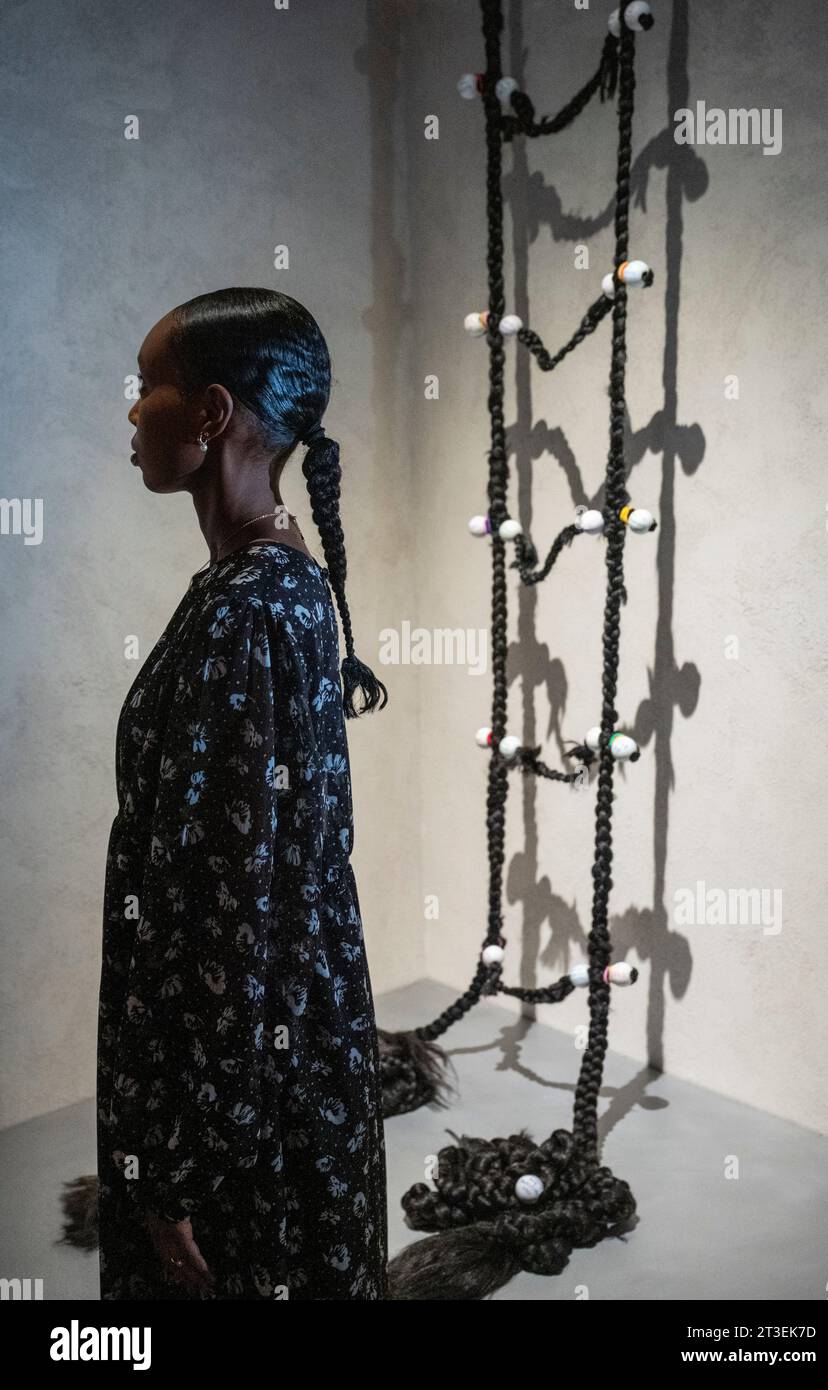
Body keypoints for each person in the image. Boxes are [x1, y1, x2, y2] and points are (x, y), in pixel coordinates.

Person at [96, 287, 389, 1299]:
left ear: (210, 412)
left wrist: (174, 1171)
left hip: (236, 1103)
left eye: (147, 389)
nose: (132, 415)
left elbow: (230, 919)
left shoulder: (245, 614)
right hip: (279, 1062)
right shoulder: (281, 583)